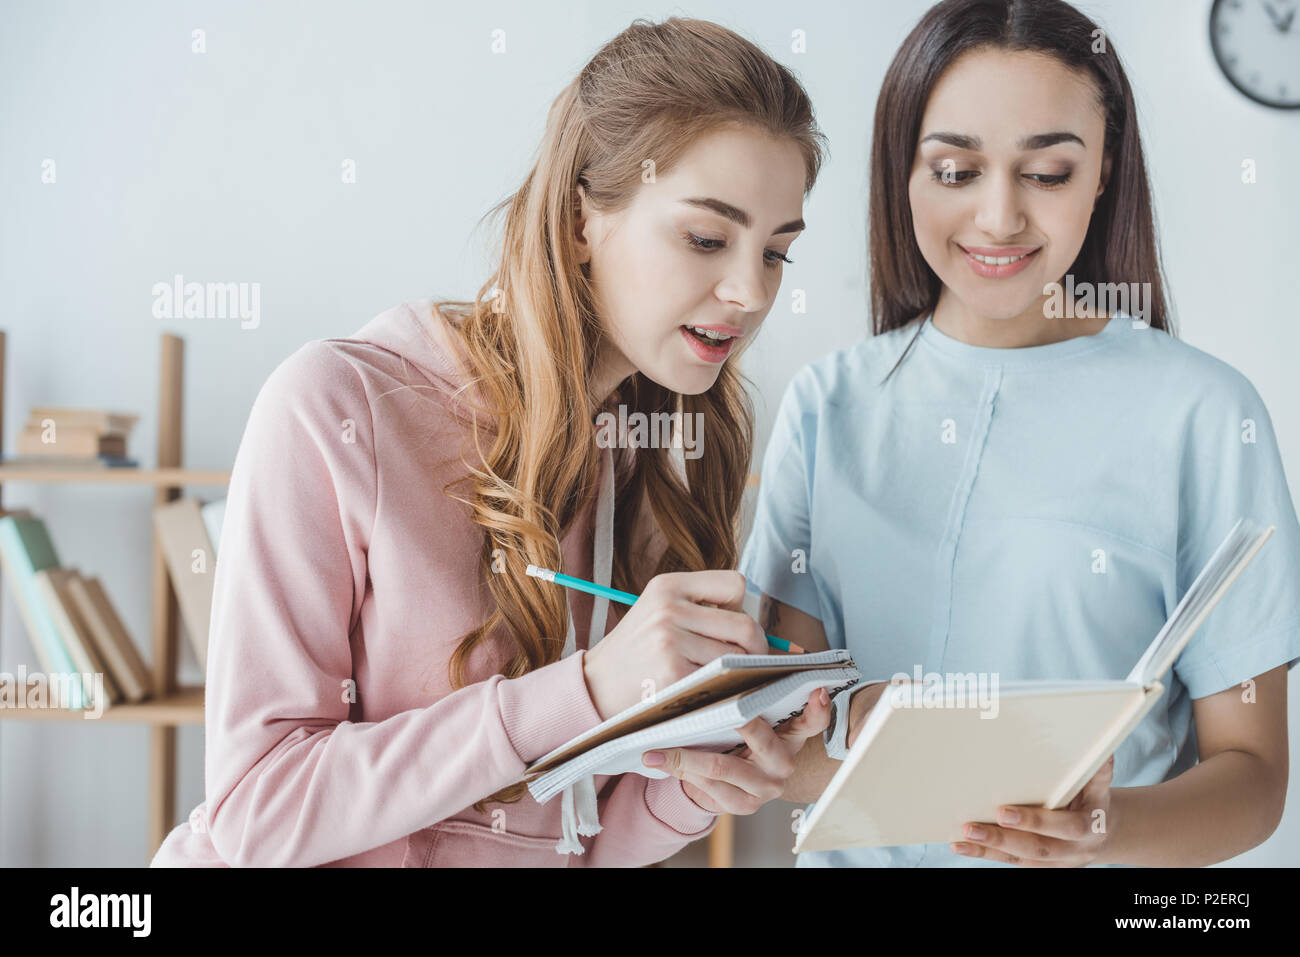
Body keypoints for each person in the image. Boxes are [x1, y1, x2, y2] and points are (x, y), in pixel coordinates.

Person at [150, 16, 832, 867]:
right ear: (583, 218)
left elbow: (574, 840)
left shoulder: (655, 459)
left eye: (777, 255)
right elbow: (260, 814)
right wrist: (581, 689)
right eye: (706, 238)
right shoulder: (336, 409)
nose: (748, 292)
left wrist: (695, 787)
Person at [742, 0, 1298, 867]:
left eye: (1047, 173)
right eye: (957, 170)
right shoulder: (827, 407)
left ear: (1106, 169)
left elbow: (1256, 776)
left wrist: (1099, 828)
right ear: (906, 171)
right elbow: (785, 743)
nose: (1000, 219)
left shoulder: (1207, 416)